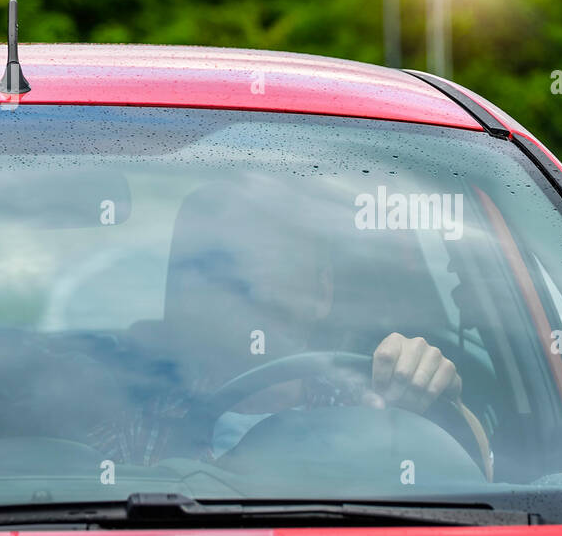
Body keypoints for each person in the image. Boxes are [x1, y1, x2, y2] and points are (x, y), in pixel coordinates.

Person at [91, 174, 463, 465]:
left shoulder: (374, 405)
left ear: (323, 291)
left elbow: (484, 477)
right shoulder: (139, 419)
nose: (258, 288)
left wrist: (439, 398)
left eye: (278, 262)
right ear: (190, 295)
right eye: (224, 270)